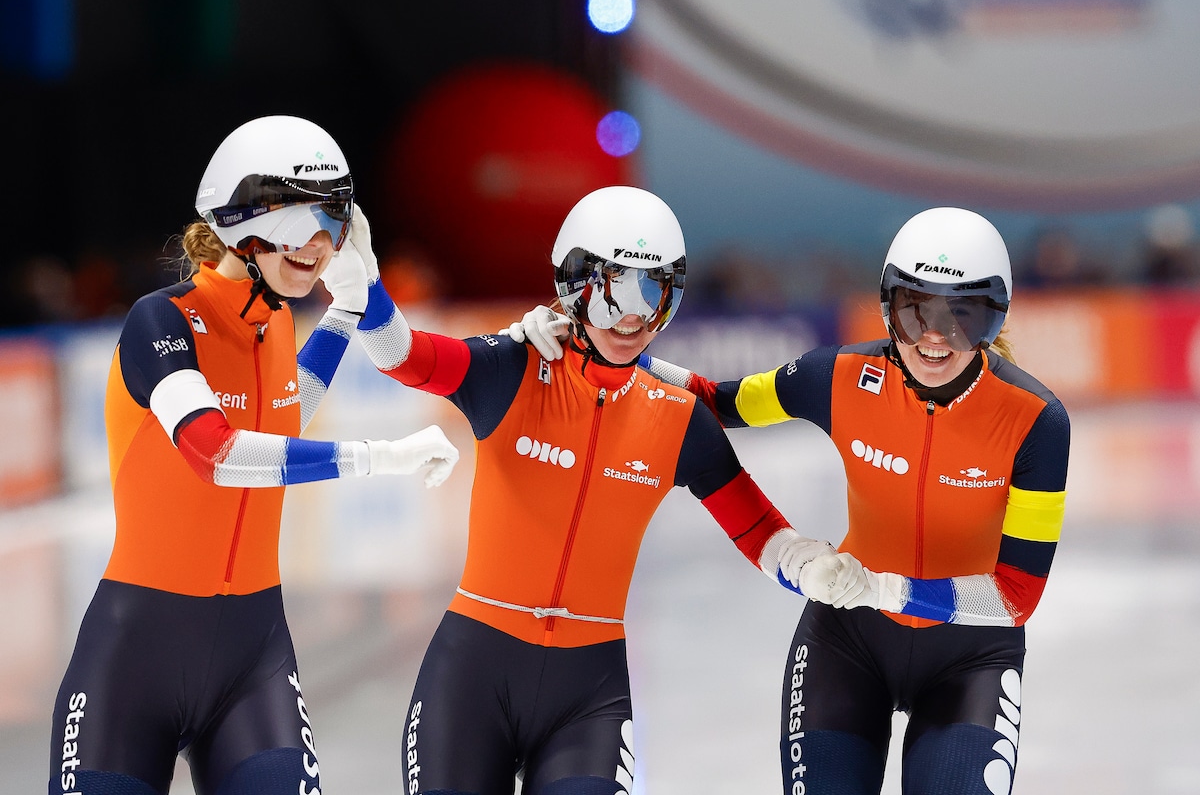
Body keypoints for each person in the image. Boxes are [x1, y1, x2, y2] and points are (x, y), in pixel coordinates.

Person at [509, 206, 1070, 795]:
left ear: (994, 319)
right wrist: (585, 341)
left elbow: (1015, 596)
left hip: (970, 659)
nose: (935, 336)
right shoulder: (839, 377)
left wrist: (881, 588)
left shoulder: (1036, 420)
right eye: (916, 310)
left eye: (963, 315)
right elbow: (715, 400)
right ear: (888, 308)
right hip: (848, 644)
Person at [342, 185, 832, 794]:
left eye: (656, 295)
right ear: (573, 288)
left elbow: (759, 530)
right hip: (471, 679)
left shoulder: (678, 418)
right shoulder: (510, 368)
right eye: (613, 292)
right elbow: (403, 357)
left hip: (589, 698)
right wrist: (362, 285)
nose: (634, 317)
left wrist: (817, 569)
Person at [47, 115, 460, 795]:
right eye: (306, 218)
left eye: (337, 218)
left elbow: (285, 412)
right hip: (133, 660)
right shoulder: (163, 320)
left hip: (253, 659)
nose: (322, 243)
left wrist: (346, 313)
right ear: (242, 219)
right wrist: (376, 457)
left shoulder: (270, 326)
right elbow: (215, 451)